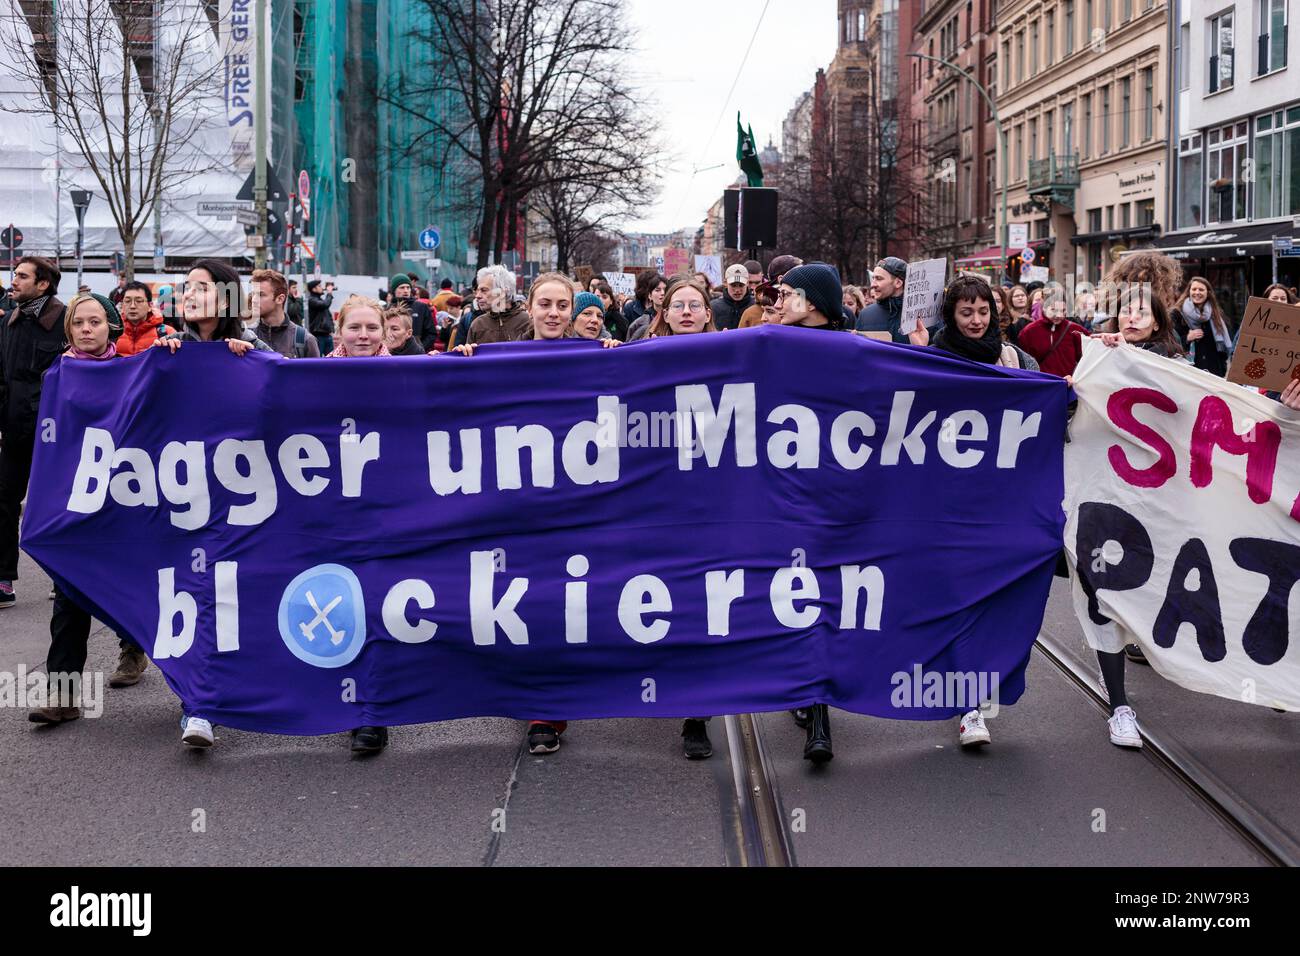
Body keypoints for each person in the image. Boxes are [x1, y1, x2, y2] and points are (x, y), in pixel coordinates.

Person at [445, 273, 617, 755]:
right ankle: (538, 703)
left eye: (564, 304)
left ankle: (550, 706)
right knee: (528, 602)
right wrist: (458, 366)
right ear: (532, 305)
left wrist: (621, 358)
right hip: (518, 499)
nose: (556, 313)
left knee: (565, 599)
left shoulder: (597, 354)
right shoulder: (501, 355)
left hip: (576, 500)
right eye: (546, 303)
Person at [28, 293, 150, 722]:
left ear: (110, 326)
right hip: (76, 506)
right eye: (79, 322)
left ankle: (135, 647)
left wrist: (174, 351)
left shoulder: (134, 371)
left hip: (126, 503)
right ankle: (63, 698)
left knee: (135, 589)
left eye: (95, 321)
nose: (86, 329)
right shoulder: (56, 376)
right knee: (70, 598)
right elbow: (49, 442)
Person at [1091, 289, 1188, 746]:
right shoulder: (1099, 356)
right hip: (1108, 500)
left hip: (1158, 505)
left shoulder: (1180, 370)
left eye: (1141, 311)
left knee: (1151, 591)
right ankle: (1118, 704)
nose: (1131, 316)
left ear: (1157, 323)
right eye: (1125, 309)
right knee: (1103, 596)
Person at [772, 261, 850, 763]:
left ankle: (818, 706)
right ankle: (803, 688)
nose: (776, 301)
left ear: (813, 303)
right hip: (778, 493)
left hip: (834, 495)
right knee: (788, 592)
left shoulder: (854, 347)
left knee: (819, 593)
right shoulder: (768, 341)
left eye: (786, 294)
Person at [0, 257, 67, 610]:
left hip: (54, 432)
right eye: (15, 275)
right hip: (14, 429)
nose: (14, 281)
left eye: (22, 276)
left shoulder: (66, 321)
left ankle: (63, 577)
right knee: (4, 500)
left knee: (56, 503)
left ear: (42, 284)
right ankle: (3, 578)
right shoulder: (9, 322)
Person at [155, 259, 272, 357]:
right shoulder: (172, 344)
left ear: (225, 301)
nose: (188, 295)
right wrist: (159, 355)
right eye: (187, 288)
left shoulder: (252, 347)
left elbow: (284, 376)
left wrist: (253, 358)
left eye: (202, 289)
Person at [930, 275, 1040, 374]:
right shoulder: (933, 360)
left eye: (983, 312)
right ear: (951, 316)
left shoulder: (1019, 359)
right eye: (966, 314)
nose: (977, 321)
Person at [1017, 287, 1087, 378]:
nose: (1059, 315)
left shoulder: (1075, 330)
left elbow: (1087, 356)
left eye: (1063, 310)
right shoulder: (1028, 332)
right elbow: (1022, 364)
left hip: (1067, 386)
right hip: (1039, 385)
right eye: (1054, 310)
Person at [855, 257, 928, 345]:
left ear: (898, 283)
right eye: (873, 278)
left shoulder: (921, 316)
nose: (873, 284)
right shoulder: (865, 314)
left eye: (879, 278)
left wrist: (921, 348)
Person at [251, 269, 320, 358]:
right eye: (253, 294)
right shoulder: (247, 336)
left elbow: (315, 372)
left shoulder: (305, 340)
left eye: (261, 295)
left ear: (280, 299)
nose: (253, 300)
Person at [1174, 277, 1233, 377]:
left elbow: (1222, 348)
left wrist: (1222, 369)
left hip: (1214, 374)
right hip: (1189, 373)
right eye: (1194, 289)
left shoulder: (1216, 315)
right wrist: (1187, 338)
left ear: (1208, 292)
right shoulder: (1177, 314)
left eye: (1201, 289)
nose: (1197, 292)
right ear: (1189, 291)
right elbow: (1170, 343)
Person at [467, 265, 530, 344]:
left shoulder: (527, 322)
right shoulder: (477, 325)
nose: (477, 296)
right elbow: (468, 355)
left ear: (503, 291)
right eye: (478, 290)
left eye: (484, 290)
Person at [114, 282, 175, 356]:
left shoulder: (167, 332)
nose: (132, 306)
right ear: (122, 305)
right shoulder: (113, 332)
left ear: (150, 306)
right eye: (127, 301)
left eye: (139, 301)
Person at [390, 274, 438, 351]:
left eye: (408, 287)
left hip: (416, 355)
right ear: (394, 290)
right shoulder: (387, 309)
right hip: (392, 354)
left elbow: (431, 333)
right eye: (402, 288)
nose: (406, 290)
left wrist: (420, 348)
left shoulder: (421, 307)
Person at [710, 264, 753, 330]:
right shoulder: (714, 307)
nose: (737, 290)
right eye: (733, 285)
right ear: (725, 283)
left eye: (741, 285)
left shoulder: (756, 306)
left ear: (747, 283)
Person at [625, 271, 666, 340]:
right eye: (657, 290)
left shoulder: (676, 319)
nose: (663, 293)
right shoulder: (637, 324)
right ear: (650, 295)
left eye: (665, 289)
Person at [306, 278, 335, 354]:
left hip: (327, 334)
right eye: (319, 286)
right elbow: (325, 304)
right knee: (318, 357)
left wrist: (331, 329)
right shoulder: (311, 300)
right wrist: (329, 293)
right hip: (318, 335)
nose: (322, 288)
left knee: (331, 359)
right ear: (314, 289)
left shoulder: (320, 299)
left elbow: (328, 316)